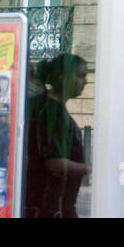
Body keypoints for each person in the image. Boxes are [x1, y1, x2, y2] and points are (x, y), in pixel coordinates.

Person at [25, 54, 90, 218]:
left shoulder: (53, 108)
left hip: (58, 207)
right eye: (81, 75)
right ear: (63, 77)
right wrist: (90, 169)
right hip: (48, 208)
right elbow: (53, 162)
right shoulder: (49, 111)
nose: (86, 81)